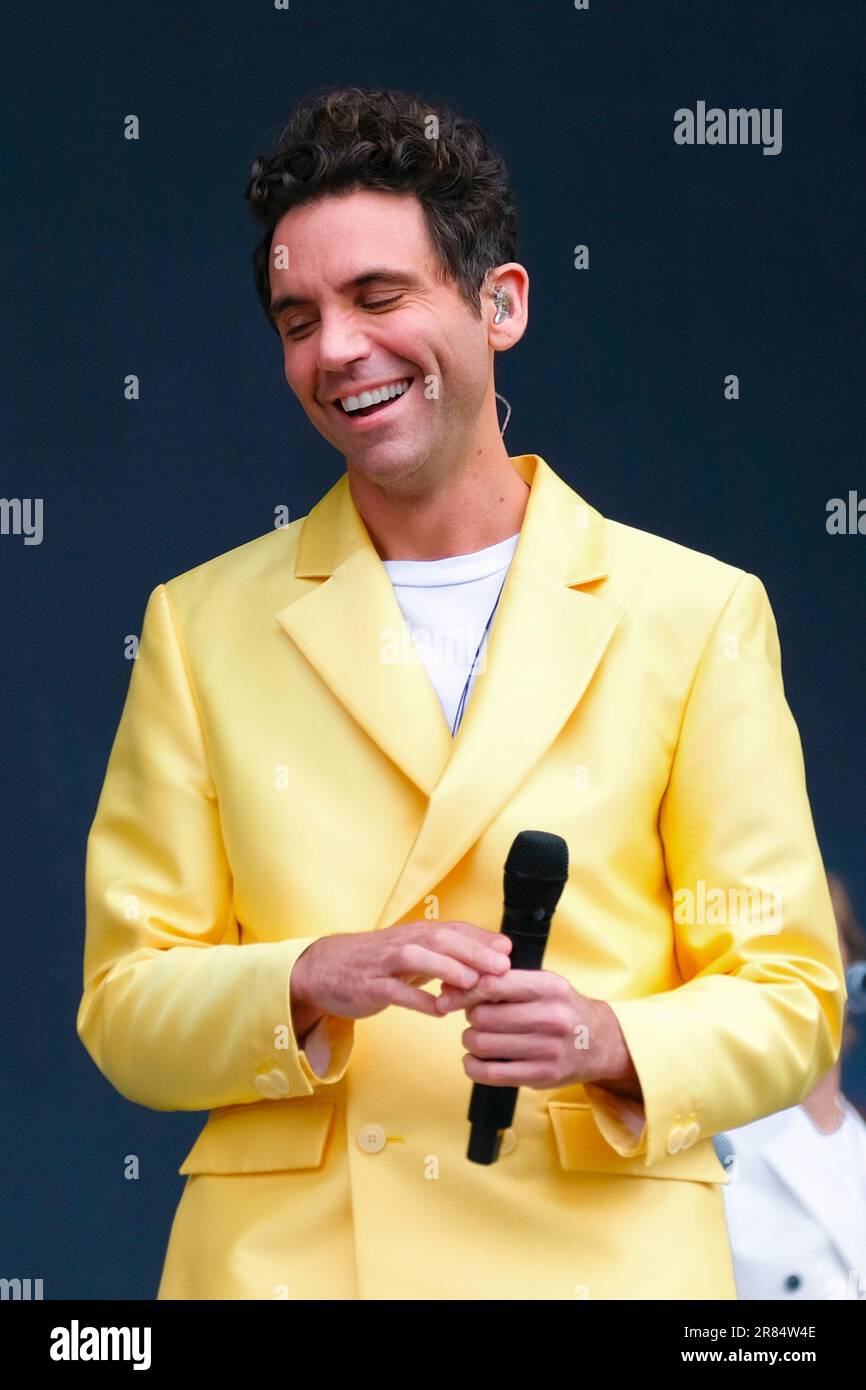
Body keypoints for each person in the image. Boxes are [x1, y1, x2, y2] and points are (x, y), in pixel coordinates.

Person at [77, 84, 846, 1300]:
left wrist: (610, 1039)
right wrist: (302, 975)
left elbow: (791, 993)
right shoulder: (198, 623)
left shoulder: (693, 613)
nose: (334, 349)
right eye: (296, 317)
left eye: (377, 297)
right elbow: (124, 1004)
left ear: (501, 304)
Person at [720, 874, 866, 1299]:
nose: (795, 967)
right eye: (775, 942)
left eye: (816, 937)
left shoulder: (856, 1136)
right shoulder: (700, 1146)